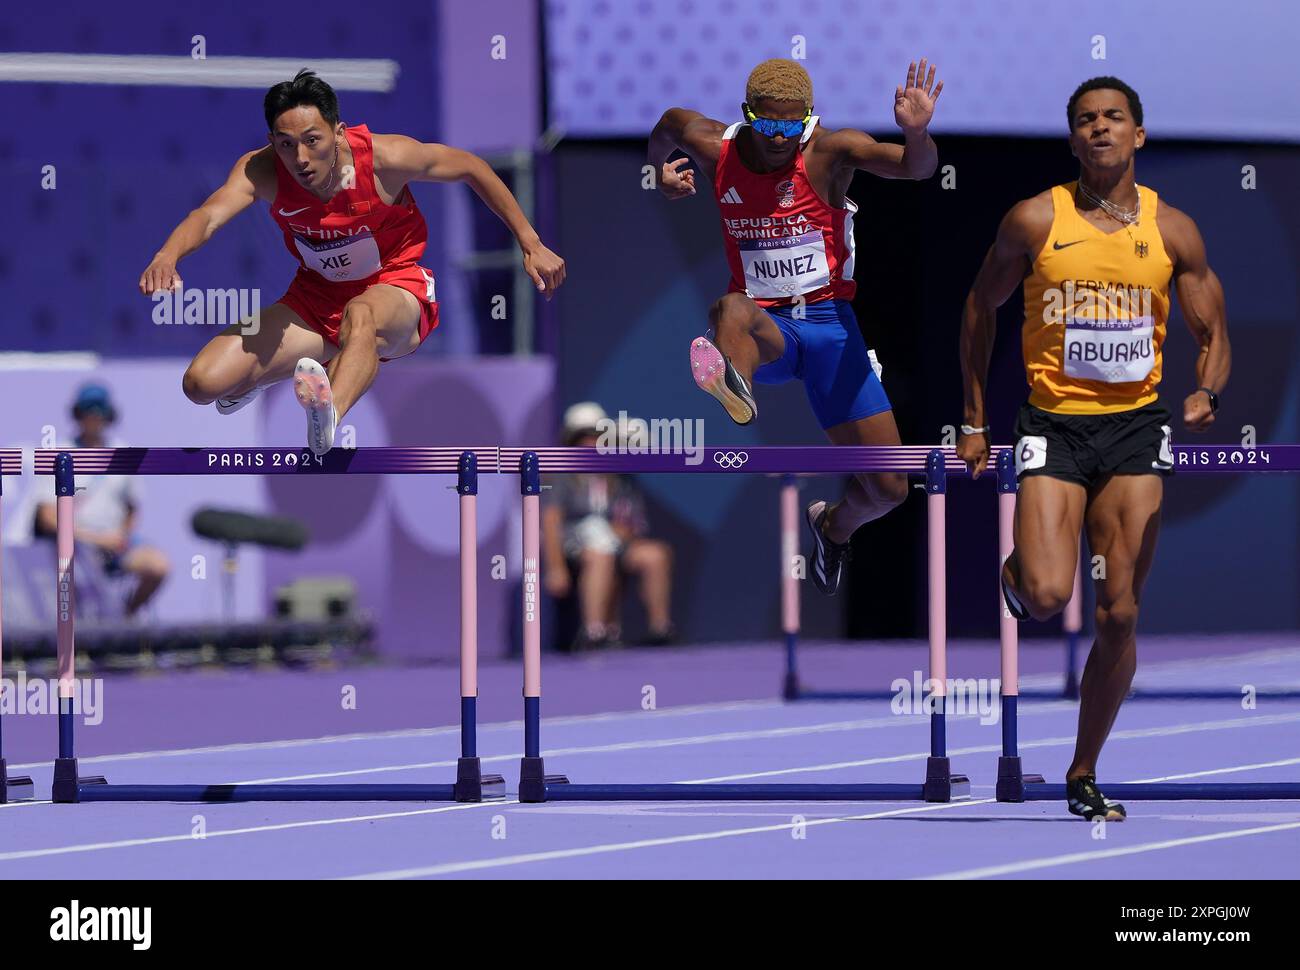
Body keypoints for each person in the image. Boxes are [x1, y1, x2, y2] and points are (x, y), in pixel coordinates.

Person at [956, 77, 1231, 821]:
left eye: (1114, 118)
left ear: (1139, 135)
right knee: (1047, 596)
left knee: (1118, 613)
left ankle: (1083, 770)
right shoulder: (1034, 220)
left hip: (1137, 428)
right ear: (1072, 138)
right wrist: (975, 419)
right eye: (1086, 120)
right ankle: (1020, 571)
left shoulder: (1173, 230)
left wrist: (1208, 391)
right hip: (1053, 425)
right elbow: (980, 309)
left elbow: (1214, 332)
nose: (1100, 128)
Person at [139, 69, 566, 455]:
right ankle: (265, 380)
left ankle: (329, 416)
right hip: (314, 300)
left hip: (397, 290)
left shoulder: (385, 159)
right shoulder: (262, 171)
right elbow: (209, 214)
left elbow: (471, 167)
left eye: (312, 140)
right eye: (287, 145)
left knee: (361, 314)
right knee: (202, 383)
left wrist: (530, 242)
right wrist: (167, 255)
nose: (301, 159)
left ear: (338, 132)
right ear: (272, 142)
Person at [648, 57, 943, 595]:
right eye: (769, 124)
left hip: (832, 329)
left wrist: (917, 133)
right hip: (770, 333)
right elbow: (668, 123)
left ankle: (832, 528)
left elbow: (916, 168)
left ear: (809, 117)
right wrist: (659, 173)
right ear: (748, 115)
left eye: (794, 124)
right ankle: (734, 385)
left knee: (889, 488)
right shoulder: (718, 148)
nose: (782, 136)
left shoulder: (831, 152)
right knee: (731, 308)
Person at [542, 403, 675, 650]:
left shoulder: (617, 473)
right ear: (572, 441)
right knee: (600, 555)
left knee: (655, 555)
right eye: (583, 437)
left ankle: (660, 628)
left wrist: (624, 532)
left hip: (616, 542)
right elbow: (550, 521)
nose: (590, 443)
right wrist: (556, 567)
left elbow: (632, 519)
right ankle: (595, 632)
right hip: (575, 544)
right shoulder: (561, 473)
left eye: (595, 436)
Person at [35, 385, 170, 618]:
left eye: (100, 409)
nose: (95, 415)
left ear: (109, 414)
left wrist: (121, 538)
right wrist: (94, 539)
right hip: (73, 548)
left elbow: (132, 508)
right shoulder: (60, 453)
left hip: (113, 548)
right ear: (78, 414)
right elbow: (47, 518)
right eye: (89, 409)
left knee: (158, 565)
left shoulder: (122, 452)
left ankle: (125, 619)